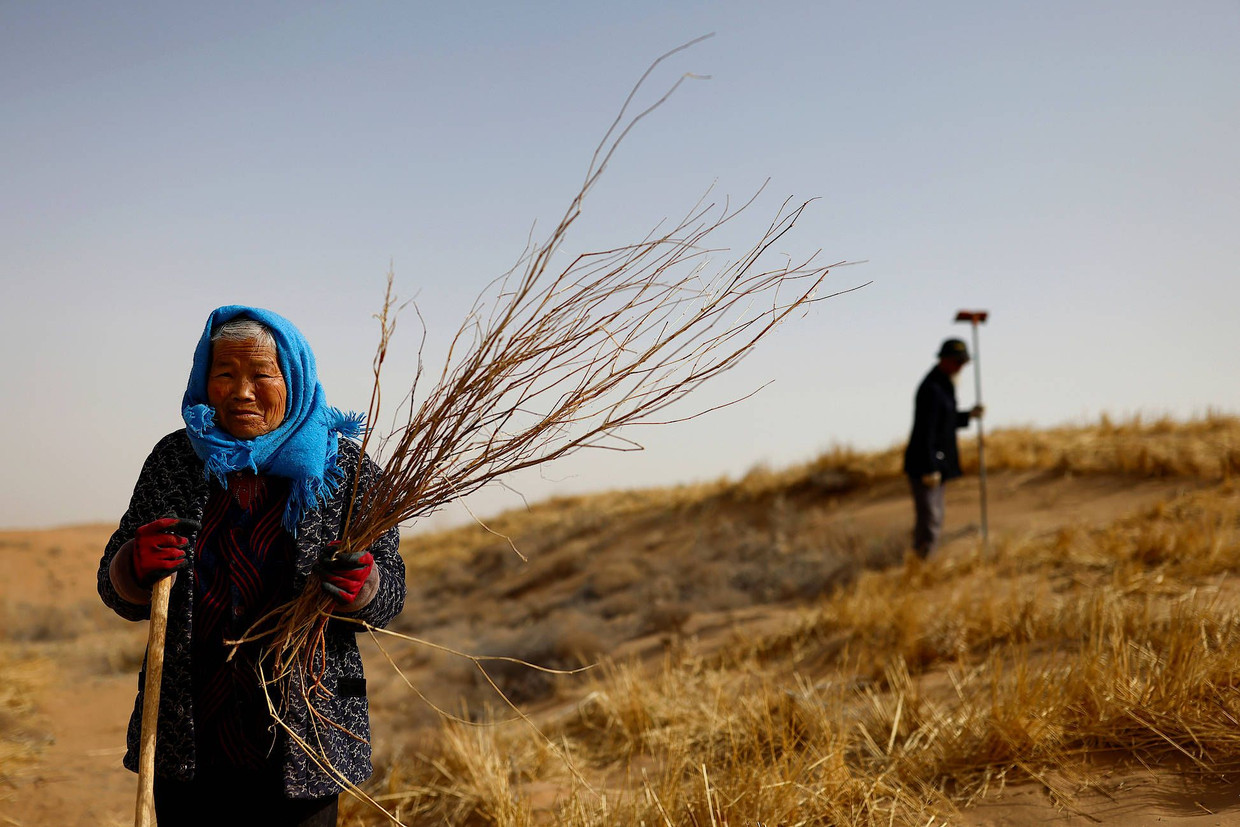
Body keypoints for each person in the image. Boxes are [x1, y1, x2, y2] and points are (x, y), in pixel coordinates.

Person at [97, 306, 406, 827]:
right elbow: (115, 586)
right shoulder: (176, 460)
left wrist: (364, 586)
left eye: (262, 375)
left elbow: (391, 591)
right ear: (204, 381)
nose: (242, 392)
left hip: (306, 735)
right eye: (225, 375)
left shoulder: (345, 469)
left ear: (294, 378)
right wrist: (133, 566)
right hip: (189, 733)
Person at [903, 338, 984, 560]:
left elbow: (945, 421)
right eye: (958, 362)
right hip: (925, 466)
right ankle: (922, 564)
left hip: (935, 463)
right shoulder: (932, 388)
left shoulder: (944, 385)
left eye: (963, 363)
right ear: (945, 360)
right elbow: (925, 431)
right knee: (930, 519)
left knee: (934, 517)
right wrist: (929, 467)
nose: (961, 367)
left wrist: (968, 415)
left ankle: (923, 561)